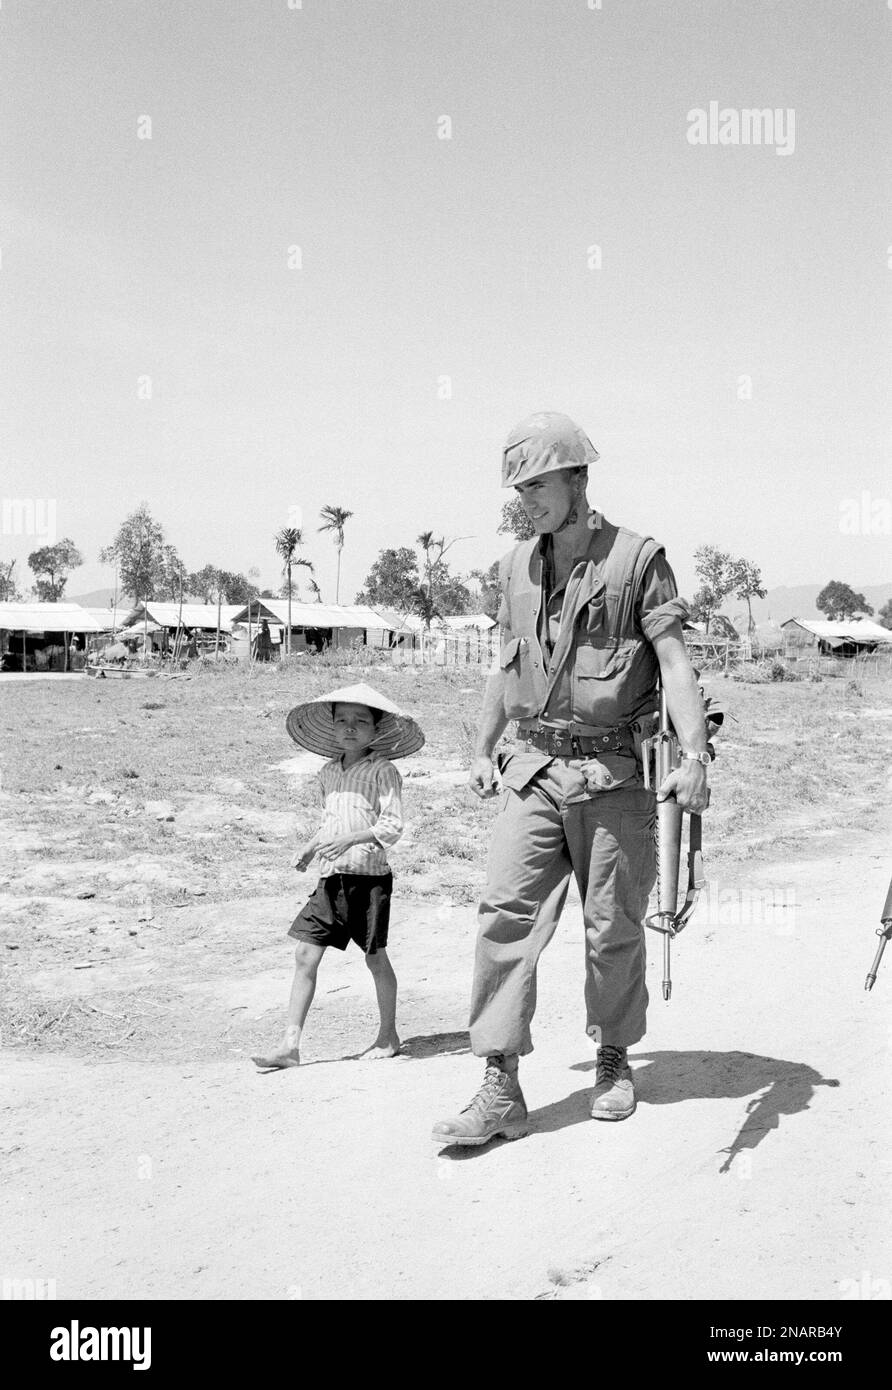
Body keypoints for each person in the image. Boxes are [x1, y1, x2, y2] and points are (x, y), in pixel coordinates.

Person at [432, 411, 711, 1147]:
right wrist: (482, 745)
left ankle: (614, 1057)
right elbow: (503, 660)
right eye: (519, 489)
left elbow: (677, 664)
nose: (526, 500)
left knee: (611, 927)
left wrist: (693, 757)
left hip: (616, 772)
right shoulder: (514, 565)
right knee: (503, 915)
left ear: (579, 479)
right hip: (534, 768)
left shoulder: (638, 560)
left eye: (537, 484)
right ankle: (499, 1085)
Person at [252, 682, 425, 1070]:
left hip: (369, 879)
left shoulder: (383, 771)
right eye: (342, 720)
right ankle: (289, 1044)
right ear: (332, 727)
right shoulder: (329, 772)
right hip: (331, 879)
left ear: (375, 730)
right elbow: (330, 823)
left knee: (375, 958)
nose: (351, 727)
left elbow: (392, 825)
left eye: (361, 721)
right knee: (304, 954)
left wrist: (350, 839)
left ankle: (388, 1036)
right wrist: (312, 846)